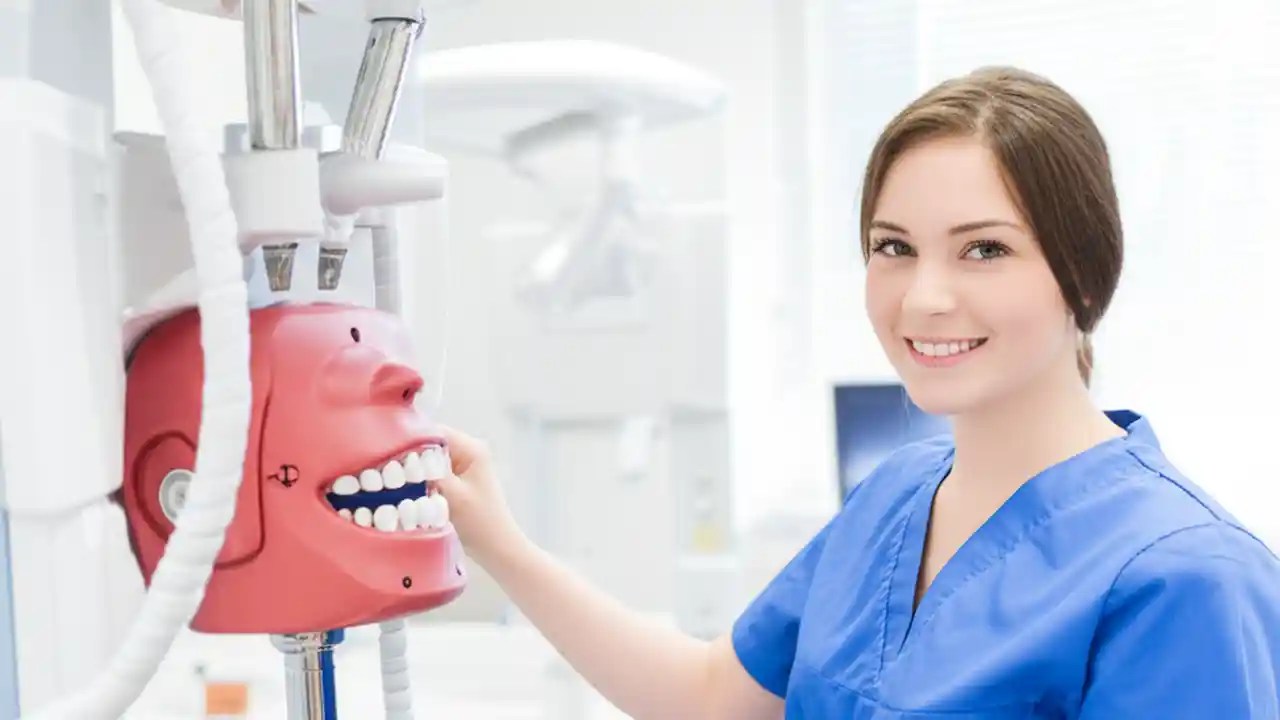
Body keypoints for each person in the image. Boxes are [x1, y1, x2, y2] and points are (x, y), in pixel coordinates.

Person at [434, 66, 1280, 718]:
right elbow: (709, 697)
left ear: (1086, 275)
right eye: (894, 247)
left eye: (984, 249)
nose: (924, 297)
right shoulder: (893, 499)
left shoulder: (1186, 581)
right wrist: (499, 542)